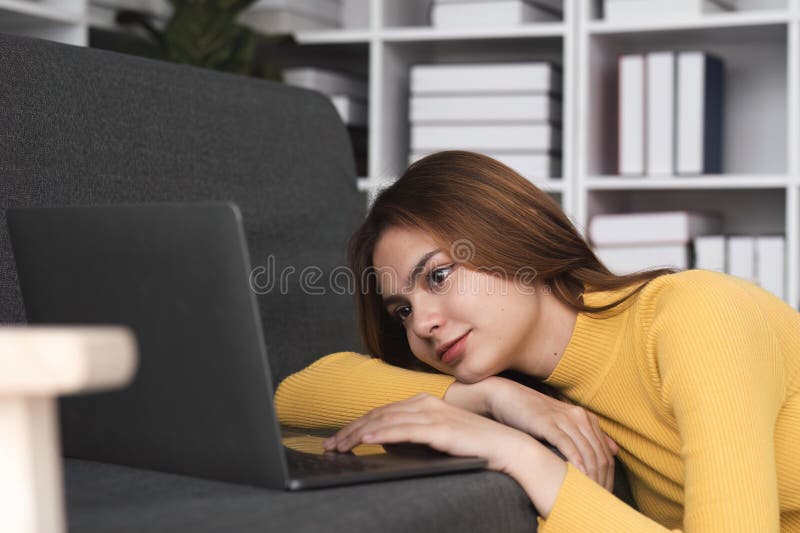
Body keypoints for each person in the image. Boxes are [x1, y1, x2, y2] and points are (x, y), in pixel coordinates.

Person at [275, 150, 800, 531]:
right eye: (402, 311)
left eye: (437, 276)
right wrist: (485, 397)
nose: (422, 325)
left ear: (514, 231)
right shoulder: (531, 394)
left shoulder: (695, 315)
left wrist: (521, 458)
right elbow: (294, 397)